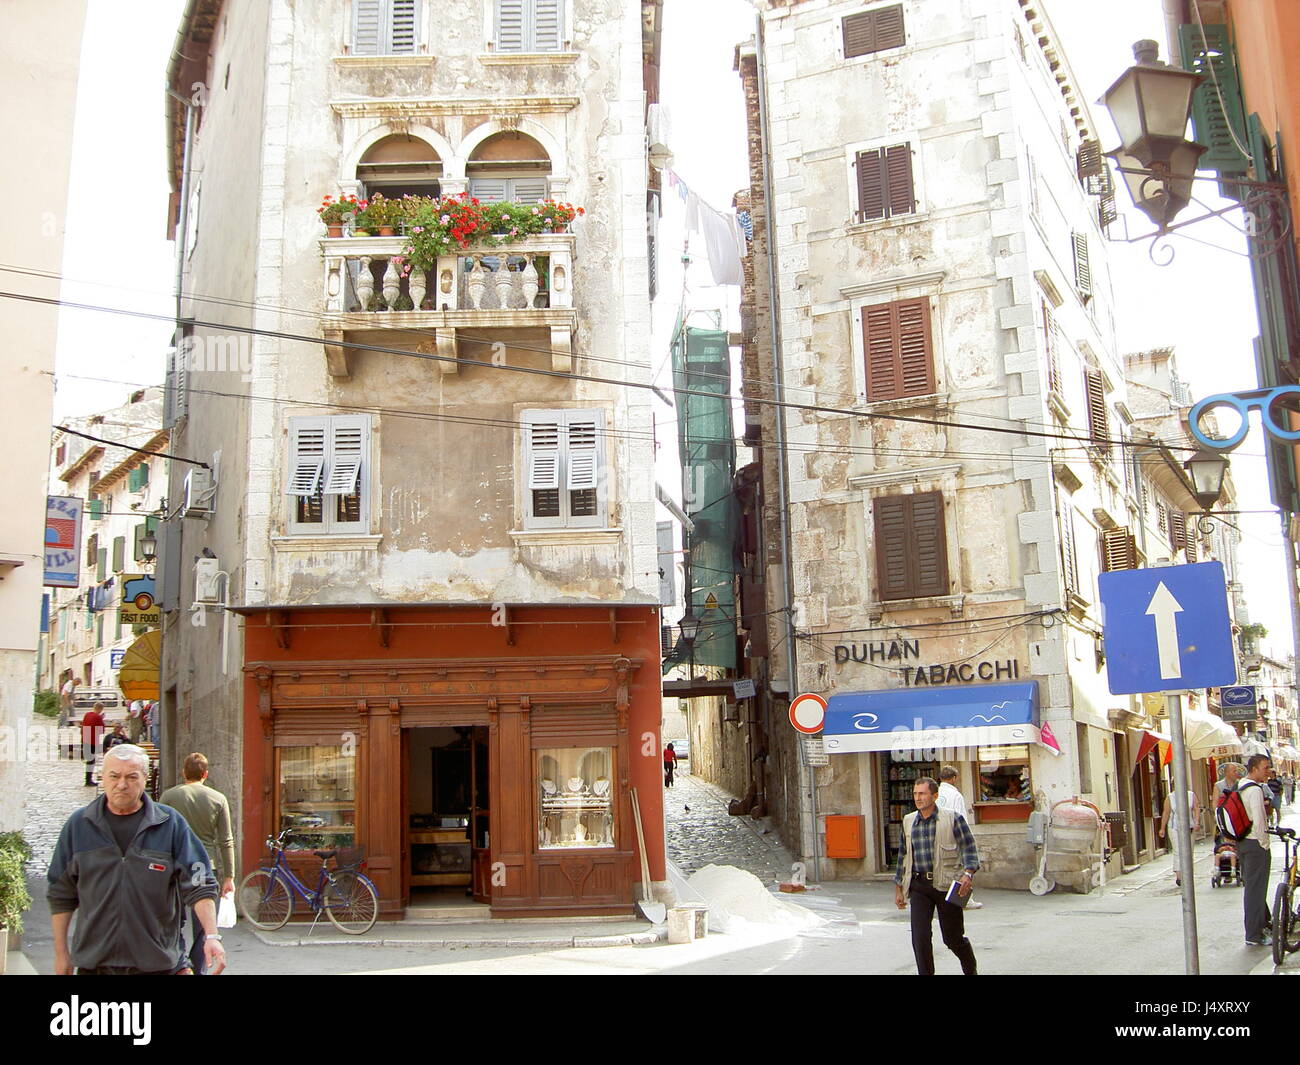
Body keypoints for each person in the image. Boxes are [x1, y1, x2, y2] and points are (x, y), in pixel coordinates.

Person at [46, 744, 226, 975]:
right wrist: (62, 955)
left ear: (145, 777)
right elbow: (61, 894)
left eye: (131, 777)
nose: (122, 784)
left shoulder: (170, 824)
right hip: (95, 965)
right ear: (102, 777)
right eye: (114, 776)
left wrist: (211, 936)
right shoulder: (79, 826)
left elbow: (201, 884)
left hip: (159, 965)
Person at [160, 753, 237, 975]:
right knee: (203, 926)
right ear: (206, 774)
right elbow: (226, 840)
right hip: (203, 866)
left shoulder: (169, 796)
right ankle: (198, 967)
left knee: (173, 920)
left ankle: (178, 963)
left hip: (173, 865)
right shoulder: (217, 798)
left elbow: (158, 830)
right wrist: (229, 876)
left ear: (184, 773)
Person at [894, 776, 979, 975]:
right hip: (919, 885)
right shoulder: (908, 821)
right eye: (915, 794)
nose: (918, 798)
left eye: (922, 793)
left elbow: (968, 847)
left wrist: (968, 873)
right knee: (920, 938)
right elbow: (903, 855)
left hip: (947, 885)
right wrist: (898, 887)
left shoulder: (952, 818)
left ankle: (970, 970)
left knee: (953, 938)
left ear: (935, 796)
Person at [936, 766, 983, 909]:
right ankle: (964, 898)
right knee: (960, 867)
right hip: (954, 834)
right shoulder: (956, 795)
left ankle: (945, 897)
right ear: (954, 778)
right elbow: (961, 817)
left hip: (939, 834)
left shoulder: (935, 793)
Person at [1238, 754, 1273, 947]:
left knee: (1252, 888)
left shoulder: (1240, 786)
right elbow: (1259, 821)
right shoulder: (1255, 791)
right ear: (1253, 769)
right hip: (1254, 844)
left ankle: (1263, 923)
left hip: (1242, 842)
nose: (1268, 771)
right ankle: (1254, 934)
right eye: (1265, 768)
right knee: (1256, 890)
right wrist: (1265, 844)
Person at [1157, 787, 1201, 887]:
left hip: (1189, 826)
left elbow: (1196, 808)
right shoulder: (1170, 797)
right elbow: (1166, 813)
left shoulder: (1191, 795)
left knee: (1189, 851)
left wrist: (1197, 822)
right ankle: (1179, 876)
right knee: (1177, 851)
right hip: (1174, 827)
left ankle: (1188, 874)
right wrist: (1162, 828)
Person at [79, 701, 106, 787]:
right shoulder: (97, 717)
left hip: (85, 739)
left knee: (89, 760)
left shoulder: (87, 714)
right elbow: (101, 730)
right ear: (100, 709)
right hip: (92, 740)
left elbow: (82, 726)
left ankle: (87, 779)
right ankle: (88, 780)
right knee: (91, 761)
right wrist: (101, 719)